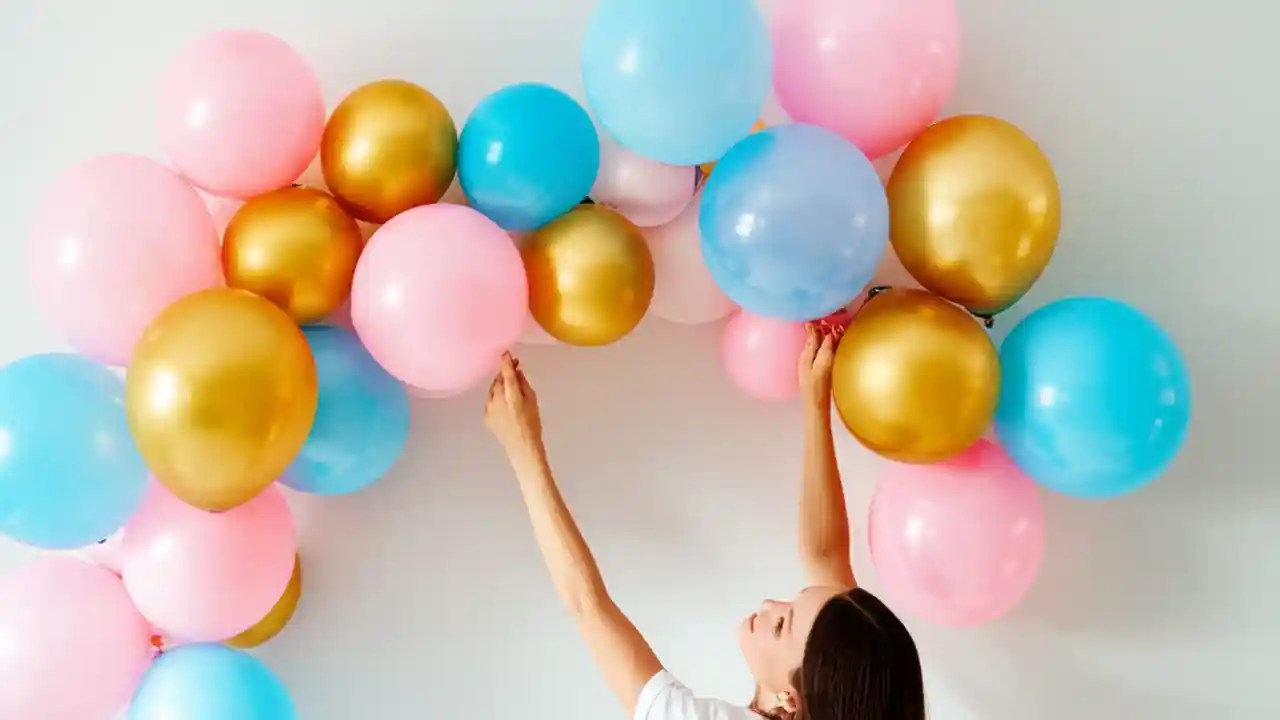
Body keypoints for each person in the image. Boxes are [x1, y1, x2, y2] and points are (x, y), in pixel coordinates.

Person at [484, 324, 925, 720]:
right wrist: (815, 399)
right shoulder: (847, 686)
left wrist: (524, 446)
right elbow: (825, 554)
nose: (770, 604)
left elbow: (588, 604)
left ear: (790, 700)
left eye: (781, 624)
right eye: (790, 604)